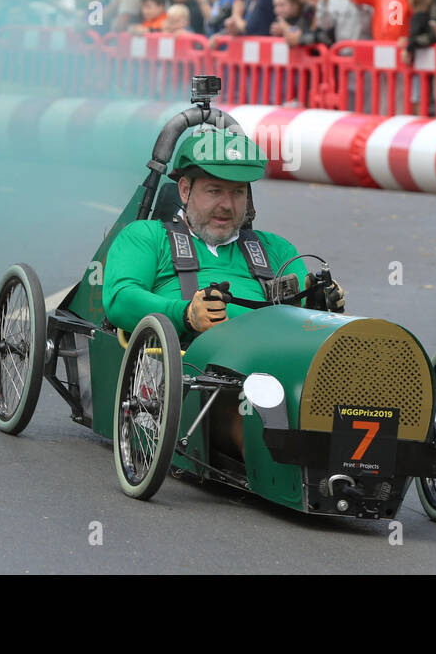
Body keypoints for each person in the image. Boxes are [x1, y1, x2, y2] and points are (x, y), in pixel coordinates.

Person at [101, 128, 345, 456]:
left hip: (285, 363)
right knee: (254, 414)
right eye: (214, 191)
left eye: (237, 193)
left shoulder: (275, 248)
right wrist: (185, 314)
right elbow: (119, 299)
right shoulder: (146, 236)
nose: (227, 205)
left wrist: (322, 301)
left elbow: (304, 307)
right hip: (200, 370)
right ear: (185, 190)